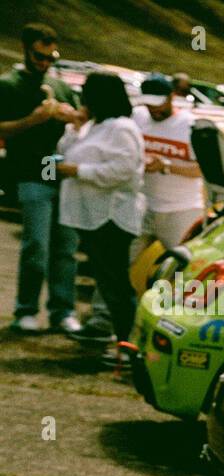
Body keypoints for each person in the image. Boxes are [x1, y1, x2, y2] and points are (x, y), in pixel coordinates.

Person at [56, 72, 145, 358]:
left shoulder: (121, 128)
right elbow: (64, 152)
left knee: (116, 284)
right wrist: (75, 127)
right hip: (91, 216)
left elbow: (124, 169)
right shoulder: (95, 126)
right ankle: (119, 339)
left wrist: (79, 172)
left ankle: (127, 345)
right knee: (107, 283)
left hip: (111, 217)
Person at [0, 22, 81, 334]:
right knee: (36, 245)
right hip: (32, 172)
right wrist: (31, 121)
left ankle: (63, 310)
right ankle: (27, 309)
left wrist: (70, 116)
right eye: (39, 57)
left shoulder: (59, 86)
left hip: (63, 172)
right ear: (26, 50)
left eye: (51, 57)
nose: (45, 63)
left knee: (66, 247)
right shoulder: (8, 84)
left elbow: (80, 118)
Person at [132, 74, 207, 257]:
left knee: (185, 267)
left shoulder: (190, 125)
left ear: (171, 97)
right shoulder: (138, 117)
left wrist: (166, 166)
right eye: (149, 104)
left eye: (158, 104)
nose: (154, 109)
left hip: (181, 210)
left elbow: (203, 169)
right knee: (121, 265)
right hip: (142, 205)